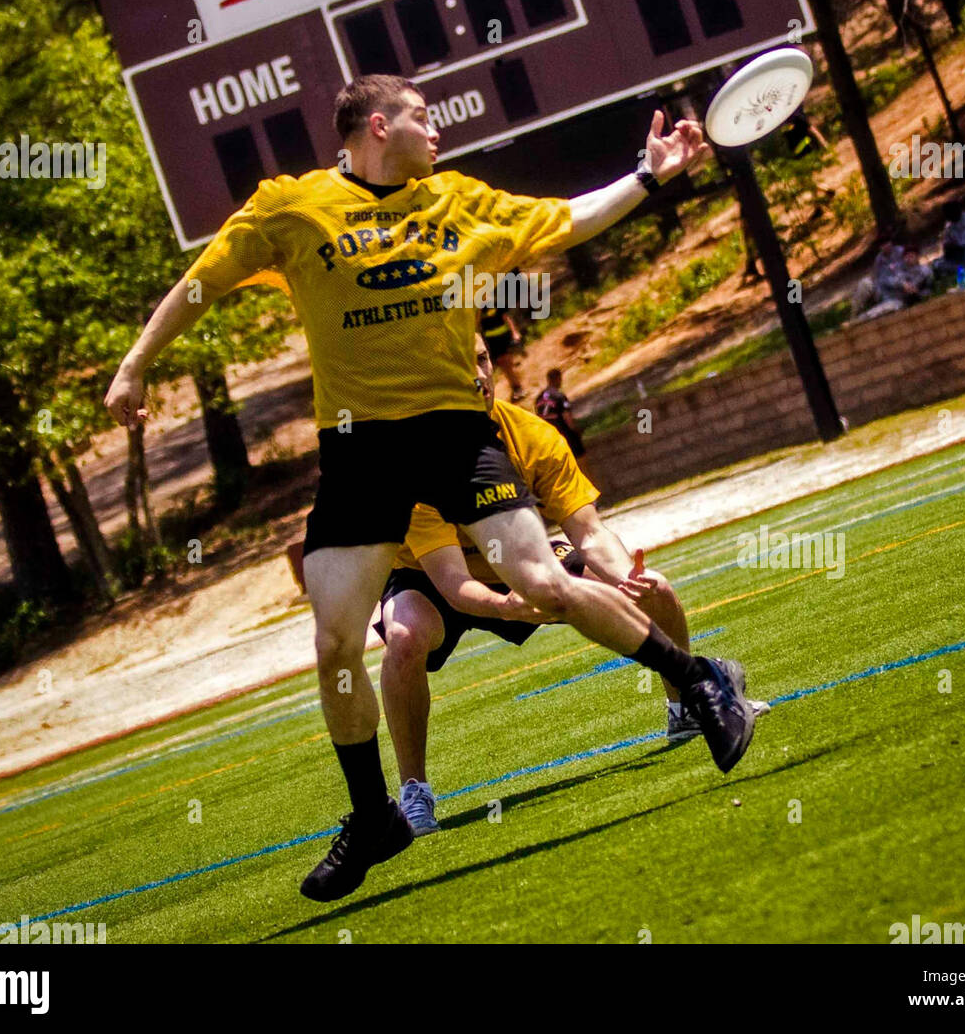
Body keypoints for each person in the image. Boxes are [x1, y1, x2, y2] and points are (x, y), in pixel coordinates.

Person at [104, 73, 759, 903]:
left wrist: (648, 174)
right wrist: (134, 368)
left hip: (456, 434)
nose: (437, 133)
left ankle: (698, 681)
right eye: (423, 119)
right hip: (358, 454)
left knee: (544, 580)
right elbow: (202, 282)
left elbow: (565, 219)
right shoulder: (290, 209)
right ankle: (373, 815)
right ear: (377, 126)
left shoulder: (456, 201)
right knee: (336, 643)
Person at [378, 339, 773, 835]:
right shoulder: (414, 459)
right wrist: (507, 606)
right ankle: (415, 793)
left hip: (519, 562)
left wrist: (622, 574)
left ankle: (686, 707)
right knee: (405, 638)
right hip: (429, 572)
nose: (477, 375)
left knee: (655, 590)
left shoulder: (532, 436)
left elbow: (586, 531)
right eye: (459, 364)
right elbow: (453, 583)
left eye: (481, 359)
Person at [534, 365, 591, 477]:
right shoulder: (559, 396)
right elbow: (568, 419)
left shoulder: (539, 398)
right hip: (566, 435)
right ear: (557, 379)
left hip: (550, 439)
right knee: (581, 464)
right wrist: (576, 430)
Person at [478, 305, 526, 401]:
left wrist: (514, 333)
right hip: (492, 341)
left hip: (503, 337)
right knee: (504, 366)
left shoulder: (496, 302)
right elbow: (478, 325)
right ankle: (516, 388)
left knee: (508, 363)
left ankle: (518, 388)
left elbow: (506, 317)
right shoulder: (477, 309)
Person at [850, 238, 906, 320]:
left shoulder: (901, 252)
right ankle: (854, 314)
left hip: (896, 294)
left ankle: (860, 320)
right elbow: (876, 276)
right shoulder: (879, 259)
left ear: (891, 242)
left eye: (887, 243)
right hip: (881, 289)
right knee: (864, 283)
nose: (885, 246)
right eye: (882, 245)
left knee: (884, 308)